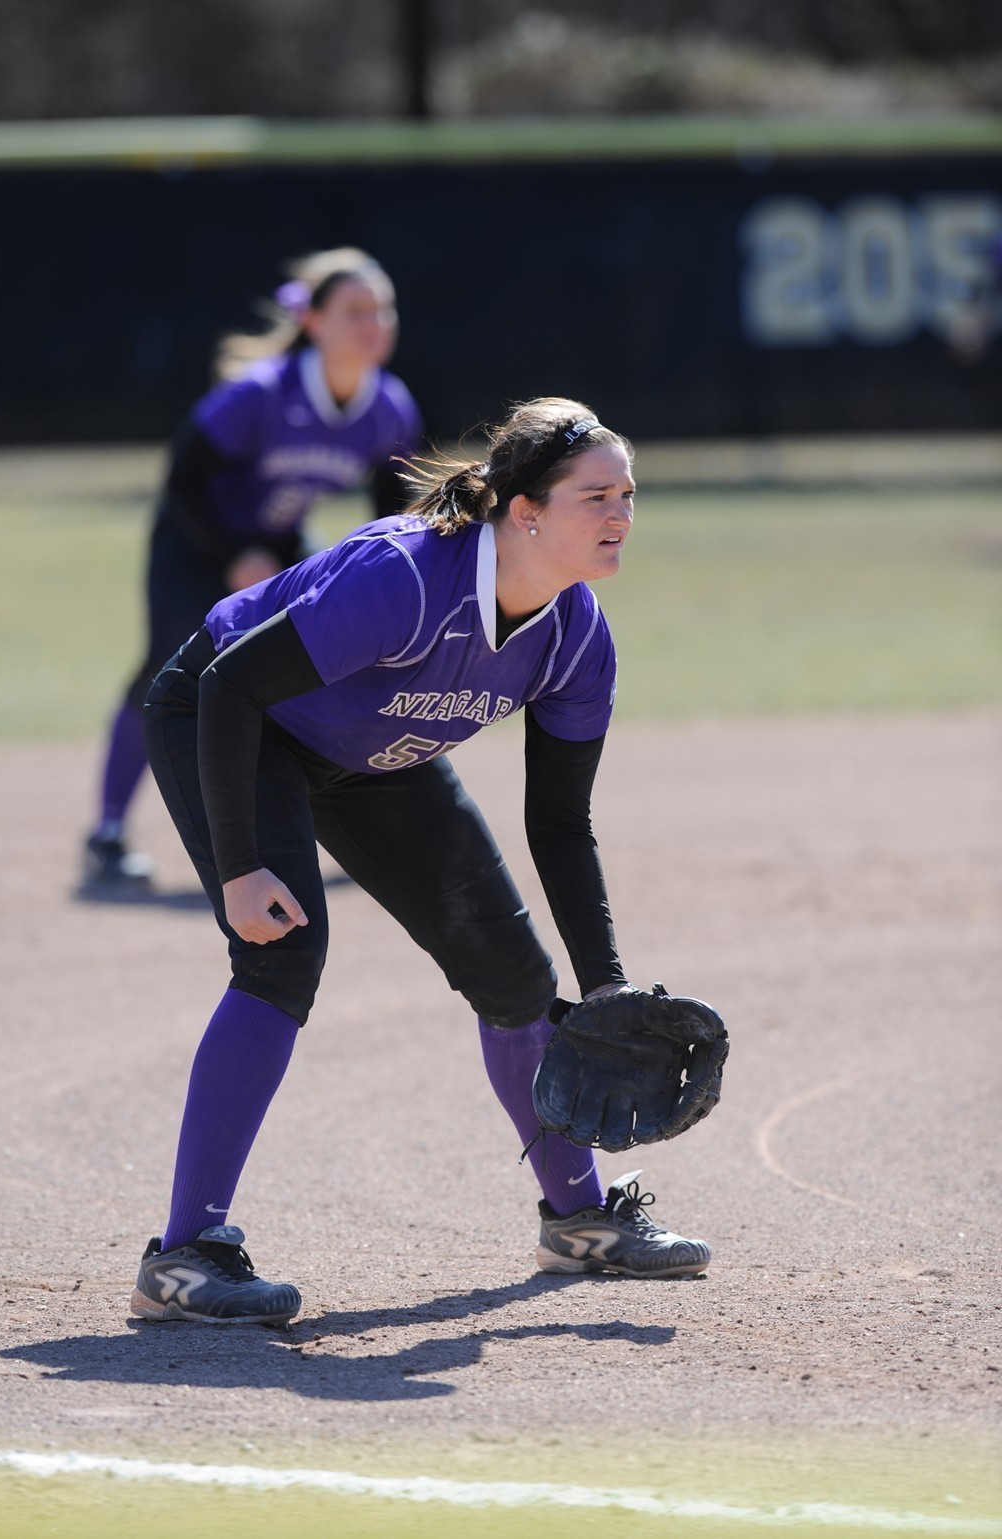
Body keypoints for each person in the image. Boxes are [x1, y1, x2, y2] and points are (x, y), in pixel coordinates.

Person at [129, 397, 712, 1327]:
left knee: (516, 976)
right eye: (596, 495)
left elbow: (561, 823)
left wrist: (604, 986)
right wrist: (241, 865)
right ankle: (185, 1256)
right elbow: (231, 682)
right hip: (231, 720)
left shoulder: (575, 637)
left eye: (629, 495)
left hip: (374, 752)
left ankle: (580, 1221)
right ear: (525, 511)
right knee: (281, 954)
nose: (620, 516)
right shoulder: (407, 577)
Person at [84, 246, 422, 886]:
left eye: (382, 309)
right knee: (164, 667)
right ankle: (107, 833)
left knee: (335, 653)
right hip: (195, 542)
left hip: (279, 544)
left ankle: (357, 820)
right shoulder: (260, 394)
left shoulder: (390, 408)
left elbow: (394, 520)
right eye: (355, 309)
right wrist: (232, 555)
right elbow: (183, 482)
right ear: (315, 322)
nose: (373, 322)